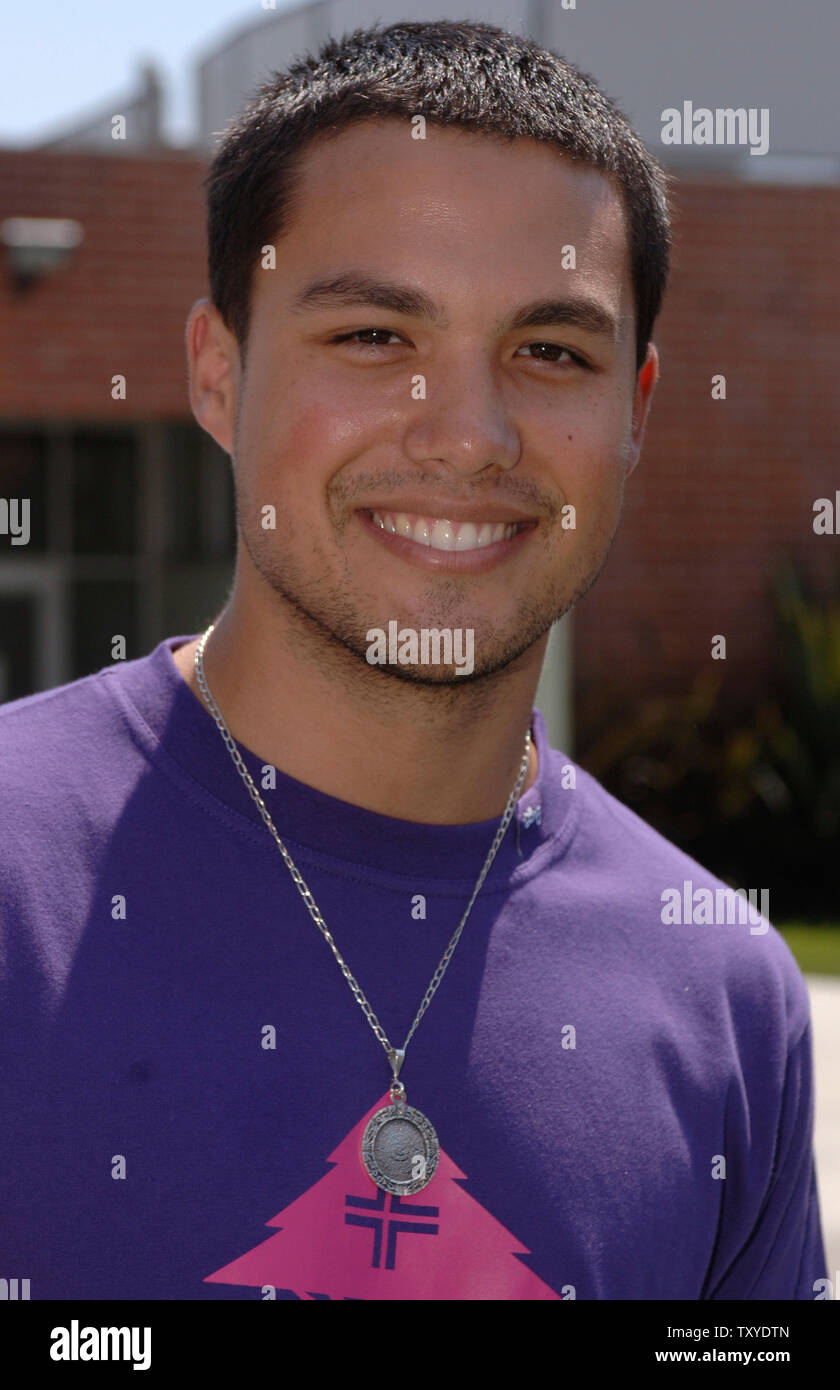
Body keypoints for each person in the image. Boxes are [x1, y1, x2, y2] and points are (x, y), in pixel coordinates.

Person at [0, 18, 827, 1301]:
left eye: (551, 352)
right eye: (376, 337)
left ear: (636, 413)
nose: (469, 436)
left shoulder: (723, 994)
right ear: (218, 375)